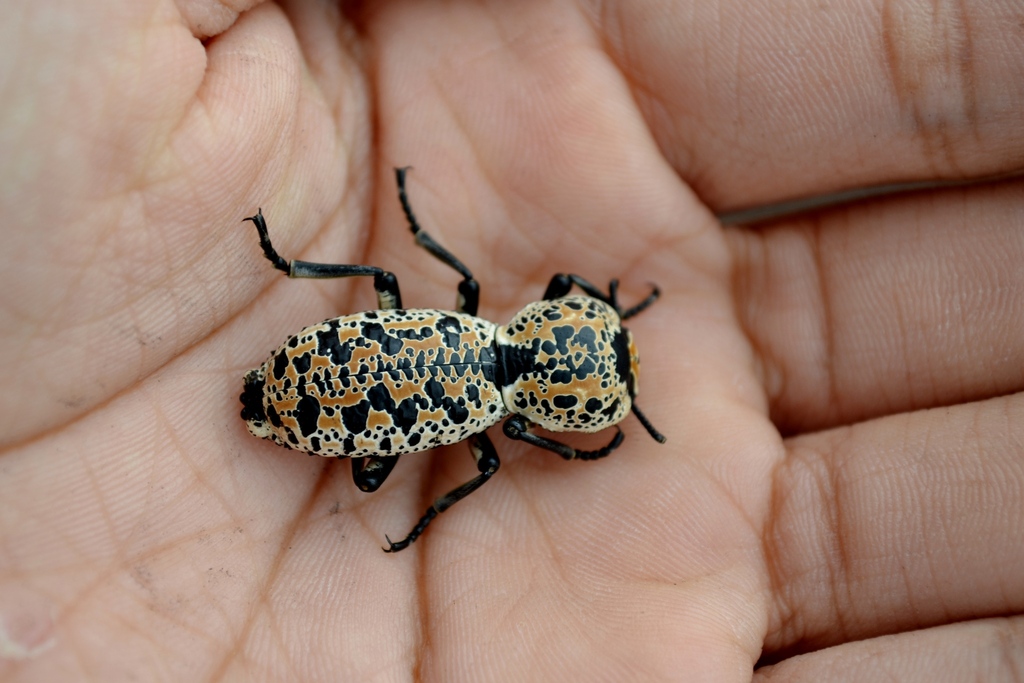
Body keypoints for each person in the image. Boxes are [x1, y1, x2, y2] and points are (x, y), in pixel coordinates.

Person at [1, 1, 1021, 680]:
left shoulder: (476, 319)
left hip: (341, 375)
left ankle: (289, 281)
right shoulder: (493, 423)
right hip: (335, 391)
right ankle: (295, 299)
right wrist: (458, 492)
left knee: (398, 290)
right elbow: (463, 469)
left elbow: (428, 318)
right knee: (398, 374)